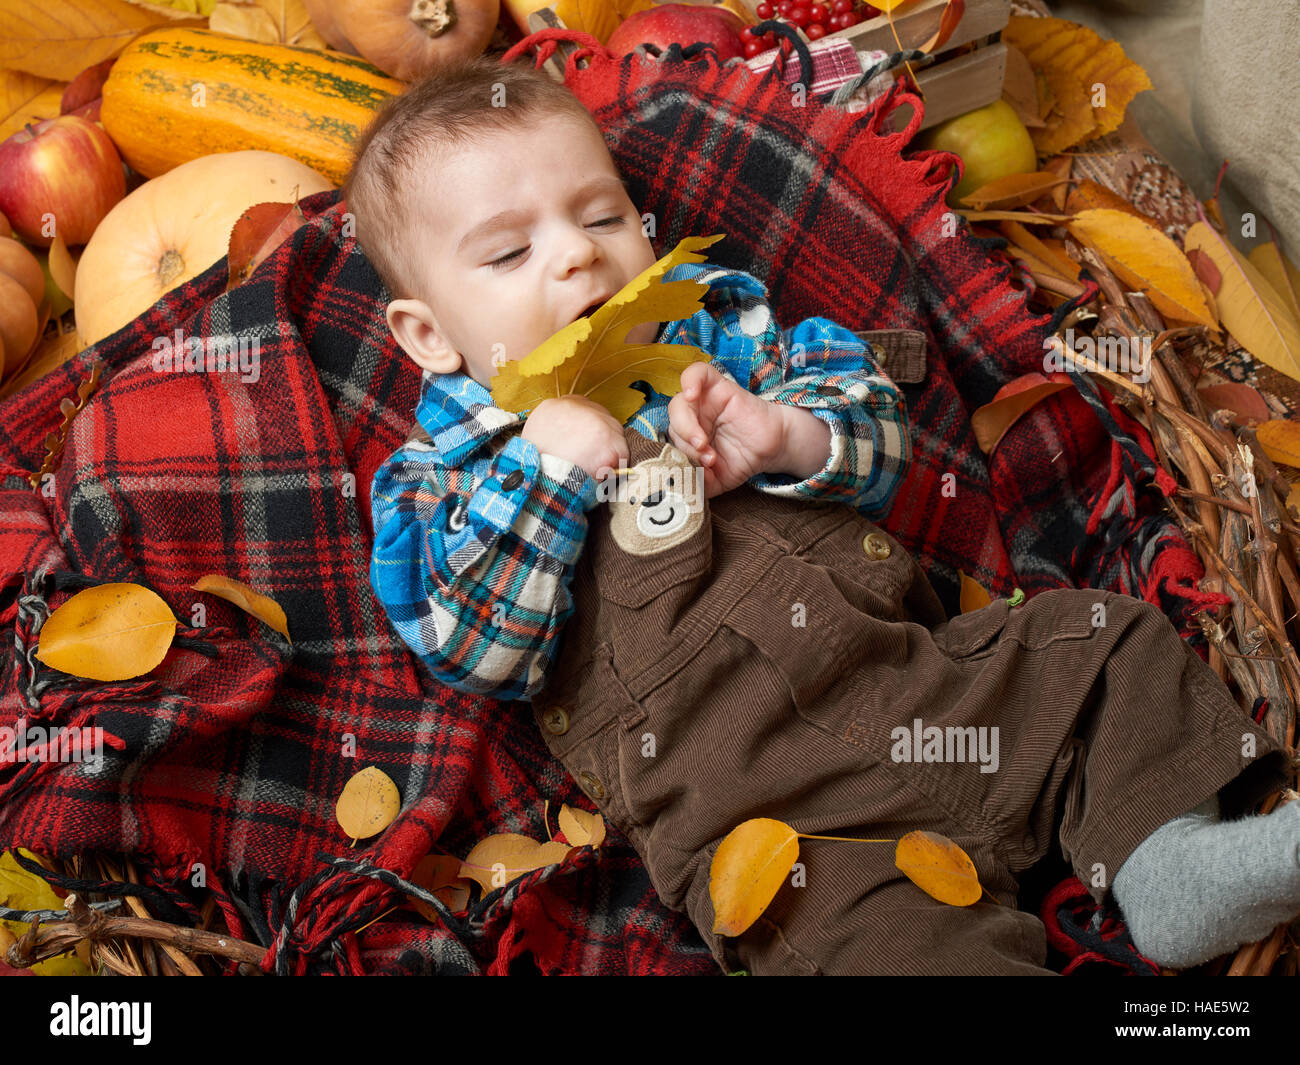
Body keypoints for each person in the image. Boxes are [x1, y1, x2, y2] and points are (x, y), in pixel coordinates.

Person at [346, 56, 1297, 975]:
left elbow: (883, 436)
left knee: (1102, 645)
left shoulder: (727, 339)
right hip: (787, 833)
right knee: (885, 952)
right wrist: (545, 469)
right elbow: (475, 646)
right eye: (511, 252)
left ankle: (1168, 867)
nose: (578, 251)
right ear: (427, 333)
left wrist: (788, 435)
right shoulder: (440, 483)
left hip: (934, 688)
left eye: (601, 214)